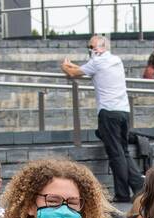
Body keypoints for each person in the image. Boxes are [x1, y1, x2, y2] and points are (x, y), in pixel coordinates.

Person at [62, 35, 139, 203]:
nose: (91, 50)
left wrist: (64, 65)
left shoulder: (97, 62)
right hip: (124, 111)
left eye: (92, 47)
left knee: (115, 153)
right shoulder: (115, 60)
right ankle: (139, 187)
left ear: (101, 47)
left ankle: (122, 193)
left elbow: (73, 73)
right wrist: (74, 66)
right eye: (89, 47)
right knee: (123, 151)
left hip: (108, 113)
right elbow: (85, 69)